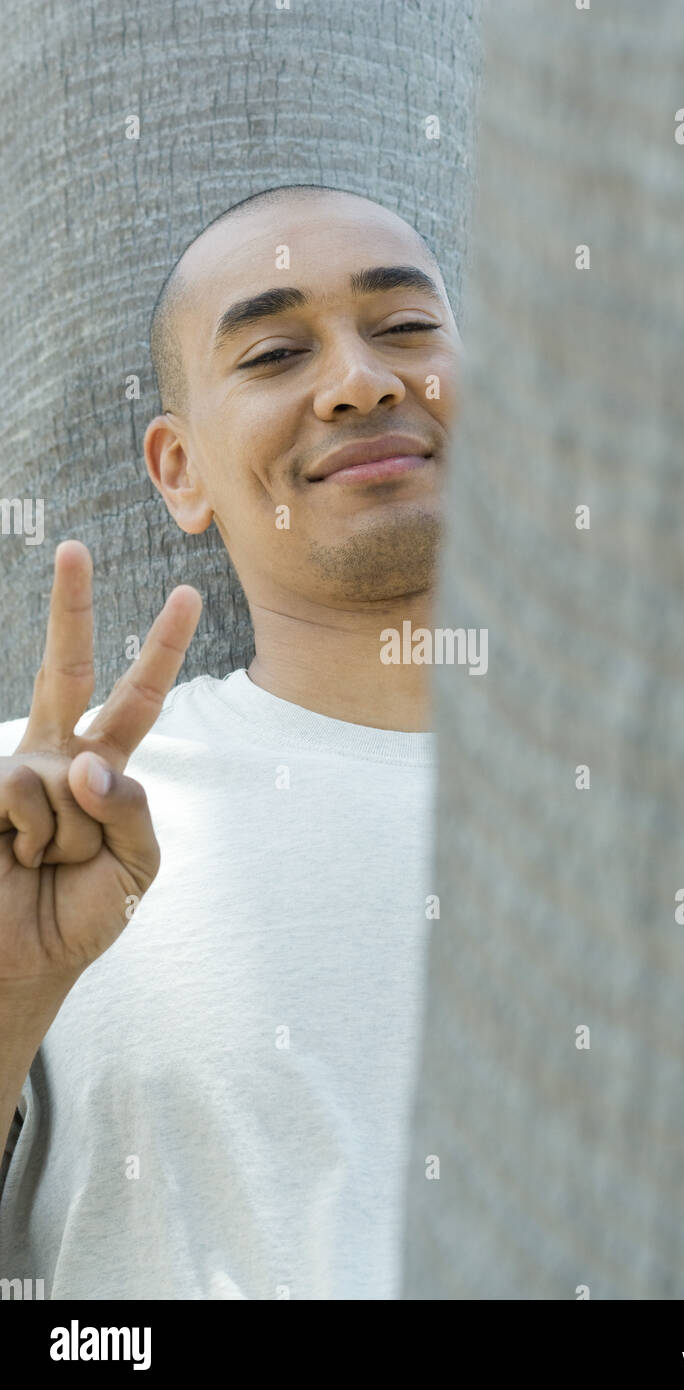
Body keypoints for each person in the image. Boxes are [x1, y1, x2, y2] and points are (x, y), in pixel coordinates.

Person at [0, 184, 462, 1299]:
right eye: (271, 354)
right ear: (179, 471)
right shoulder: (47, 811)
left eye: (405, 329)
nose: (362, 382)